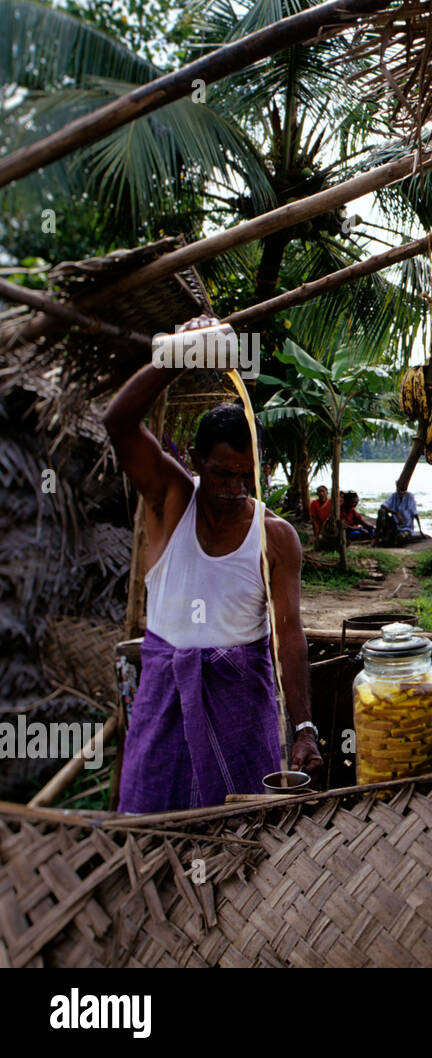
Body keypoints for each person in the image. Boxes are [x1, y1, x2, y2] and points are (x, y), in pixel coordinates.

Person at [104, 315, 322, 812]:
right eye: (222, 473)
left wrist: (305, 727)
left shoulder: (276, 537)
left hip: (241, 703)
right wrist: (180, 352)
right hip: (166, 696)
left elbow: (288, 633)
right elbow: (118, 423)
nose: (234, 489)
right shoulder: (170, 498)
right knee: (151, 824)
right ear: (197, 460)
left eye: (246, 476)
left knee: (247, 833)